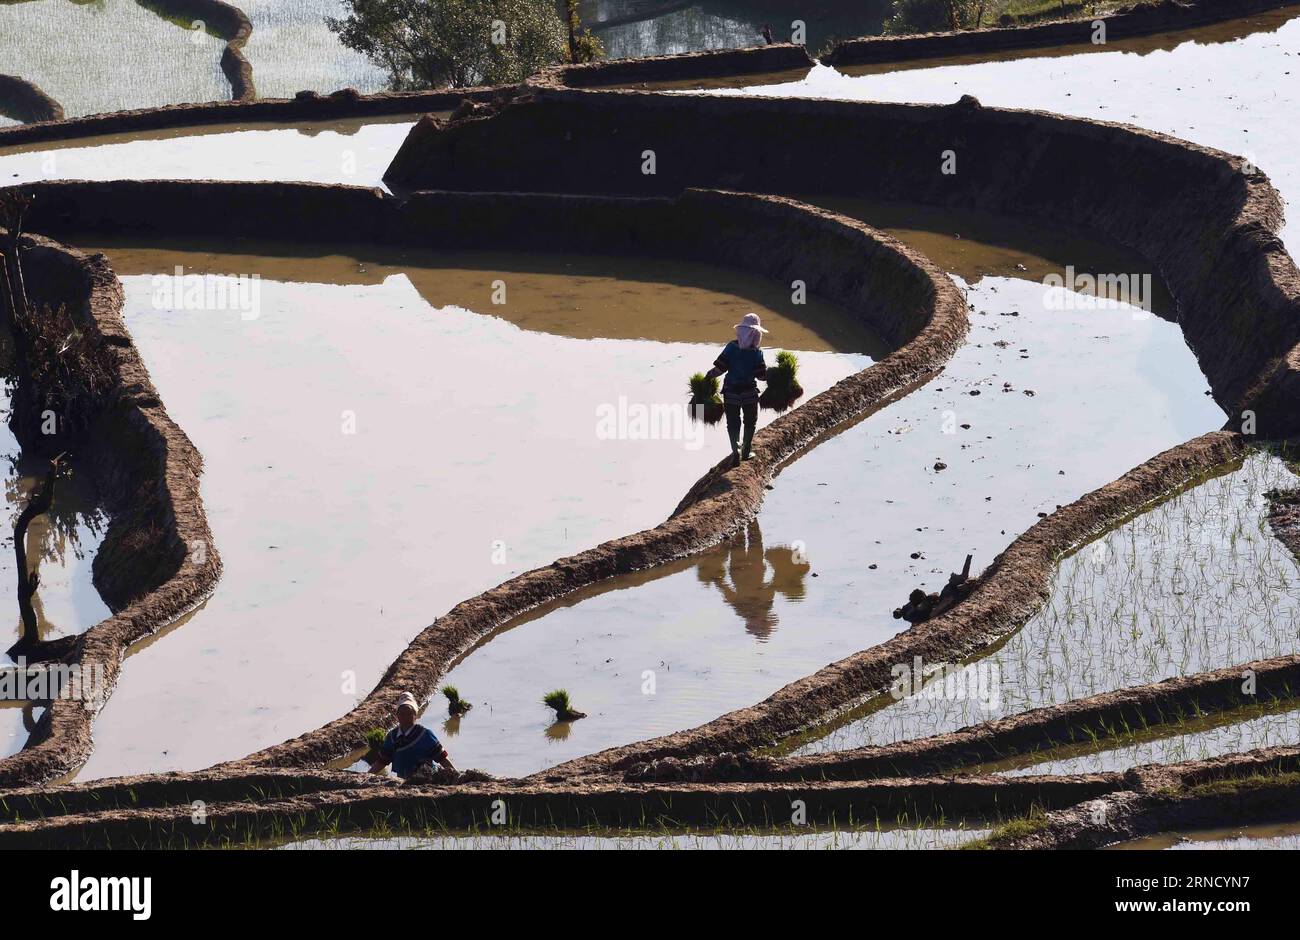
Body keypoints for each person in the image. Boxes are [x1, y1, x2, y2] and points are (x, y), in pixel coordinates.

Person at [704, 312, 768, 466]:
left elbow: (720, 368)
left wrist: (707, 377)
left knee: (733, 423)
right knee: (750, 422)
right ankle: (746, 451)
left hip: (731, 392)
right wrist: (773, 375)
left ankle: (735, 451)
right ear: (756, 334)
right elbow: (761, 376)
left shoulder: (732, 347)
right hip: (749, 393)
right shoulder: (757, 352)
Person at [369, 691, 457, 779]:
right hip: (402, 781)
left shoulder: (425, 734)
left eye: (409, 713)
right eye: (402, 714)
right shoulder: (392, 736)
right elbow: (382, 761)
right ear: (397, 716)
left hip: (427, 780)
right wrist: (367, 776)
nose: (405, 717)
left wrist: (456, 775)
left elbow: (442, 758)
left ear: (415, 715)